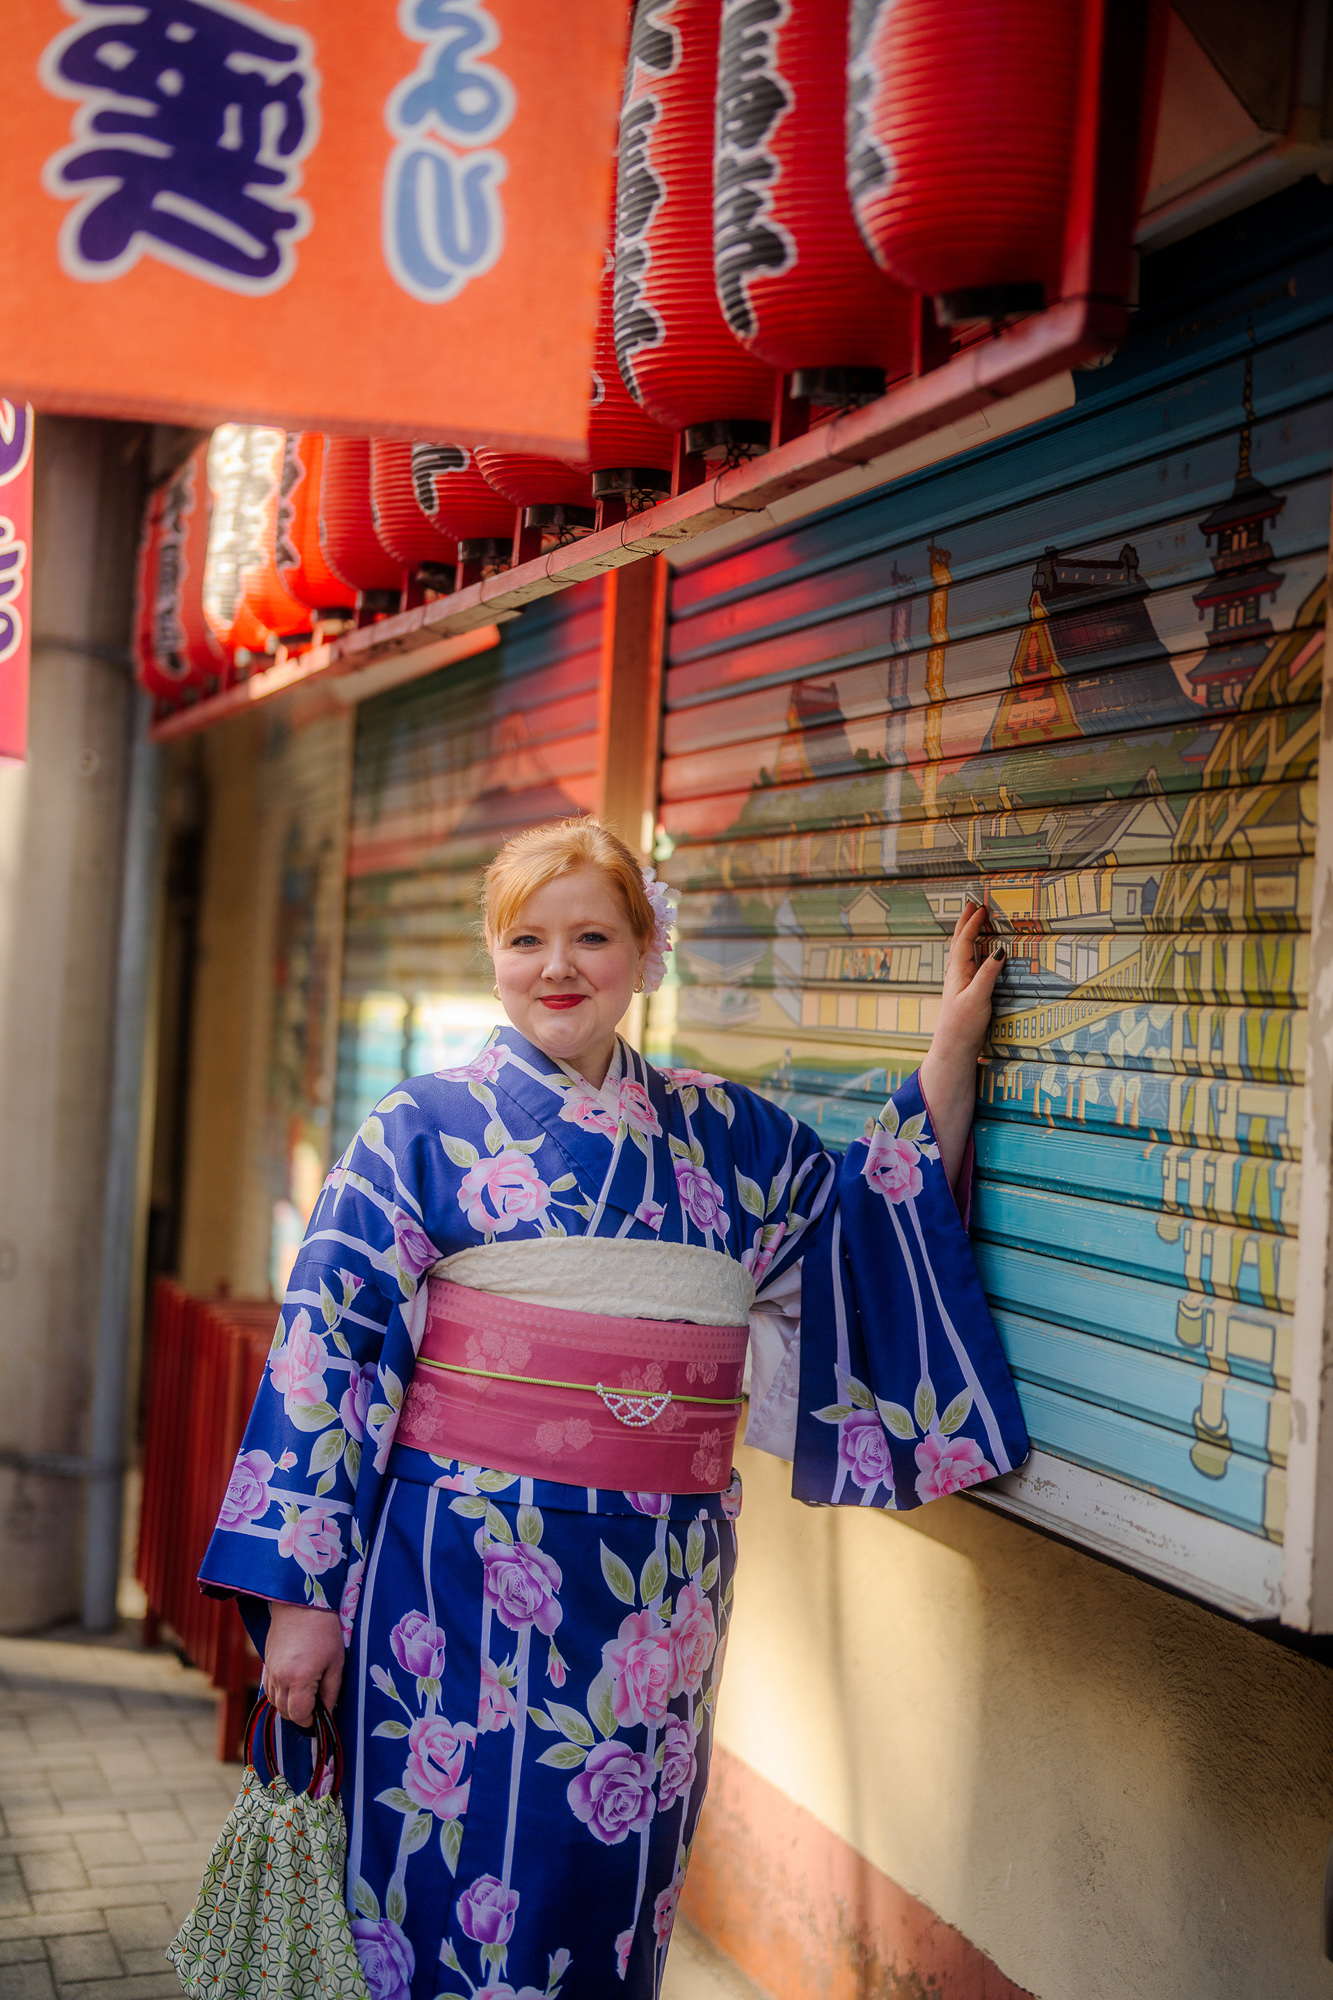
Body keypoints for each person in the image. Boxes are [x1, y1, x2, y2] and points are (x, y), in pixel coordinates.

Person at [199, 816, 1026, 2000]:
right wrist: (301, 1602)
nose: (558, 966)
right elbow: (324, 1355)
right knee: (437, 1894)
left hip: (654, 1602)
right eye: (525, 938)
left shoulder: (727, 1136)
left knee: (609, 1901)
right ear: (492, 954)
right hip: (454, 1588)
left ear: (646, 949)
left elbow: (862, 1231)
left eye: (591, 936)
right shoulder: (417, 1131)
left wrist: (949, 1050)